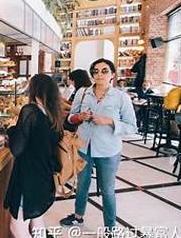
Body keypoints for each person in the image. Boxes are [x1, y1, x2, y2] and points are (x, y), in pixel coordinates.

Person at [59, 58, 137, 233]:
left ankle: (110, 228)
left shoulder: (121, 97)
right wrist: (79, 117)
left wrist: (109, 121)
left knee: (108, 190)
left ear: (112, 75)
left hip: (109, 151)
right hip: (83, 146)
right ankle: (78, 217)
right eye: (95, 71)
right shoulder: (83, 92)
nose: (99, 74)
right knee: (82, 184)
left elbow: (132, 127)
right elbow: (71, 118)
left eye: (104, 71)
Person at [4, 74, 63, 237]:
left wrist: (11, 128)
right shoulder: (53, 113)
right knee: (37, 221)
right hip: (44, 176)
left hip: (29, 179)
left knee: (17, 227)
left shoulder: (30, 111)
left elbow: (17, 148)